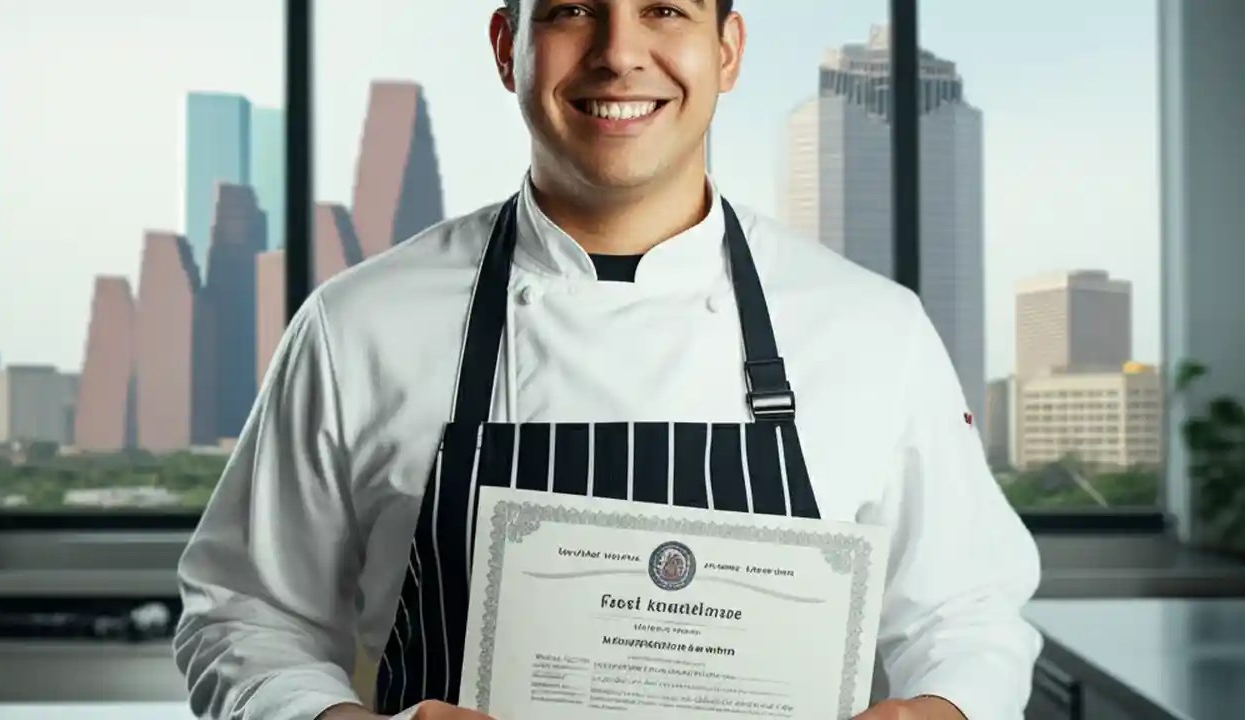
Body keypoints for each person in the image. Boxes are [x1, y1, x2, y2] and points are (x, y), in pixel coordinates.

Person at [172, 1, 1044, 719]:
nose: (619, 53)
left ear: (728, 49)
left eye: (664, 10)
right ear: (508, 45)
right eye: (572, 11)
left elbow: (966, 611)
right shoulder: (356, 326)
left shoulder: (873, 329)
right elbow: (246, 614)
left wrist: (945, 708)